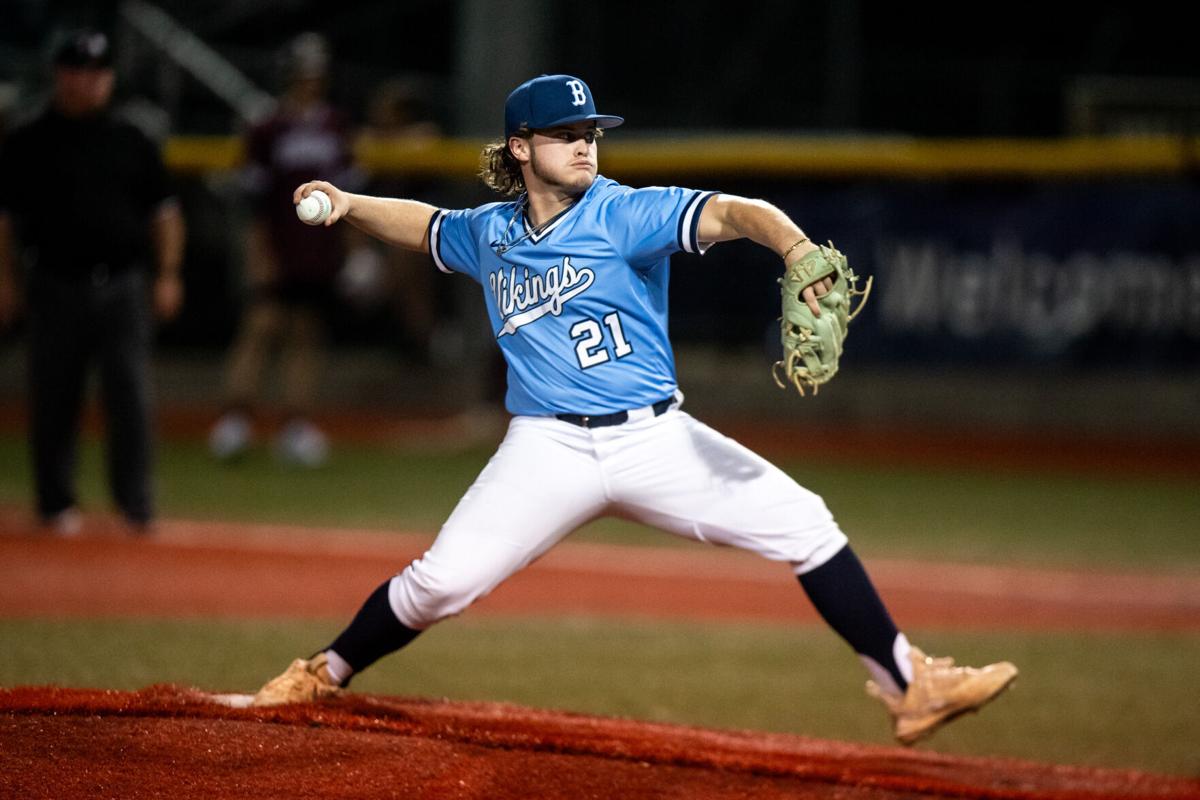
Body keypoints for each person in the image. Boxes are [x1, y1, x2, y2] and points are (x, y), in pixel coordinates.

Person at [251, 74, 1017, 745]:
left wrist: (794, 249)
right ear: (521, 148)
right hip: (545, 449)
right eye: (566, 135)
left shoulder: (626, 214)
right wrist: (347, 202)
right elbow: (423, 226)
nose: (586, 146)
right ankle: (325, 669)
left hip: (656, 438)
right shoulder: (493, 234)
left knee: (805, 522)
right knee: (440, 584)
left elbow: (738, 210)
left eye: (591, 133)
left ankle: (908, 686)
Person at [0, 29, 185, 536]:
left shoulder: (132, 138)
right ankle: (55, 503)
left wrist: (168, 273)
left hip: (122, 283)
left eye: (99, 73)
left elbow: (165, 214)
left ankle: (136, 506)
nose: (89, 83)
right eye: (79, 72)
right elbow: (6, 221)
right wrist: (6, 281)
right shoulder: (28, 141)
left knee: (129, 396)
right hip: (53, 281)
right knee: (53, 395)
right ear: (60, 75)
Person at [207, 32, 358, 467]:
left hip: (319, 247)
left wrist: (354, 252)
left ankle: (295, 426)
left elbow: (351, 193)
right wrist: (258, 253)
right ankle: (235, 421)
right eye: (304, 72)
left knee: (307, 335)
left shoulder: (335, 125)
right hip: (279, 243)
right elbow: (253, 201)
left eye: (316, 72)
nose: (311, 80)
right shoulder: (267, 126)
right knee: (261, 327)